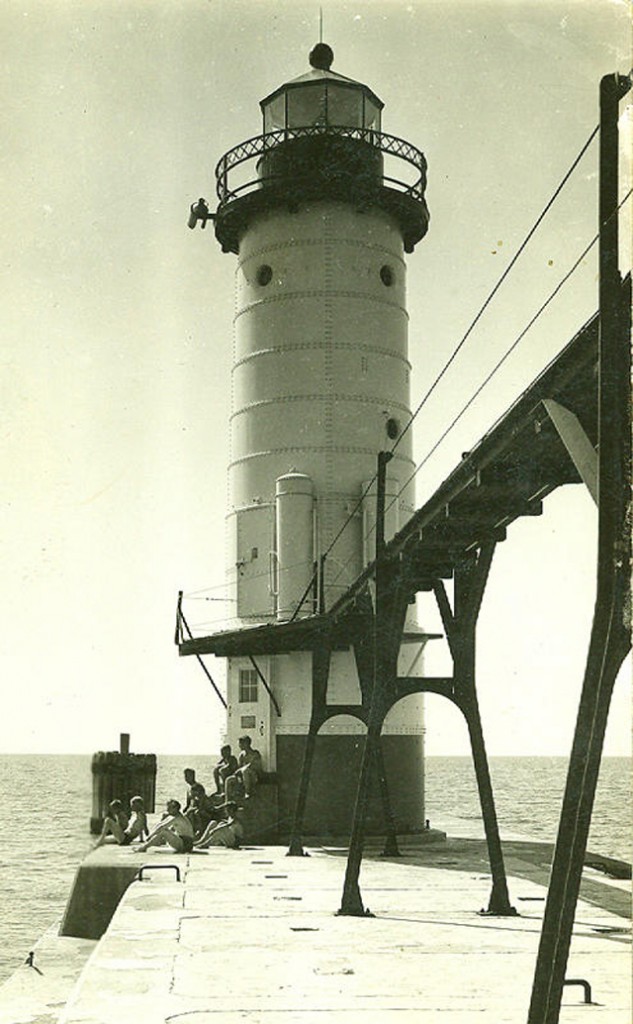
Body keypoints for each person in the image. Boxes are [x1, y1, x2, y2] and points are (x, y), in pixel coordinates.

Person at [225, 736, 263, 802]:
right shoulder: (242, 755)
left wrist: (241, 769)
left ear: (246, 743)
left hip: (254, 776)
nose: (239, 746)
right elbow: (239, 767)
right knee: (229, 779)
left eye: (241, 744)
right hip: (243, 777)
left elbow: (252, 765)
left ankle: (247, 792)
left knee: (246, 771)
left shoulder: (255, 753)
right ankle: (227, 800)